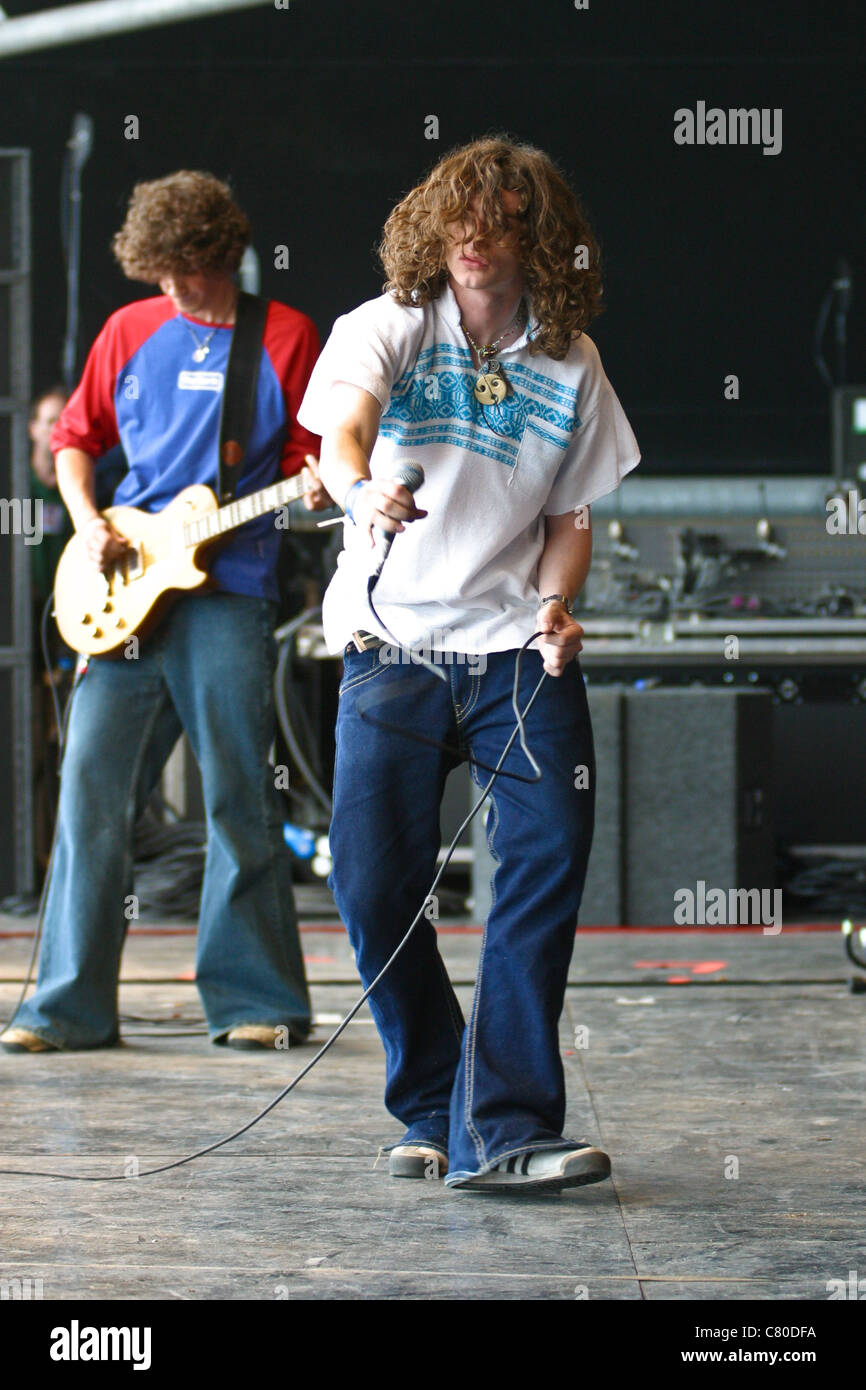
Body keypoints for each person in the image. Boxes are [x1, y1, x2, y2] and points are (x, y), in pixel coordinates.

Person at [299, 137, 641, 1192]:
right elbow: (347, 430)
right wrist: (361, 493)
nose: (474, 238)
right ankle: (431, 1099)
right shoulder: (391, 323)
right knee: (370, 883)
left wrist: (555, 603)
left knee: (540, 871)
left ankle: (506, 1126)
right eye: (458, 218)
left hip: (515, 653)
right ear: (433, 228)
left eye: (499, 219)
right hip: (392, 645)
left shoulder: (570, 361)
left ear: (539, 238)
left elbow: (569, 516)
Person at [2, 170, 326, 1054]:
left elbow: (310, 470)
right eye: (159, 270)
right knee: (91, 792)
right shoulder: (129, 329)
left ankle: (255, 1001)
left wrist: (321, 485)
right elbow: (74, 439)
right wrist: (89, 521)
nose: (172, 287)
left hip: (231, 592)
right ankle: (65, 1008)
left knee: (237, 796)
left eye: (186, 267)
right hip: (125, 590)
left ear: (219, 253)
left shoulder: (287, 335)